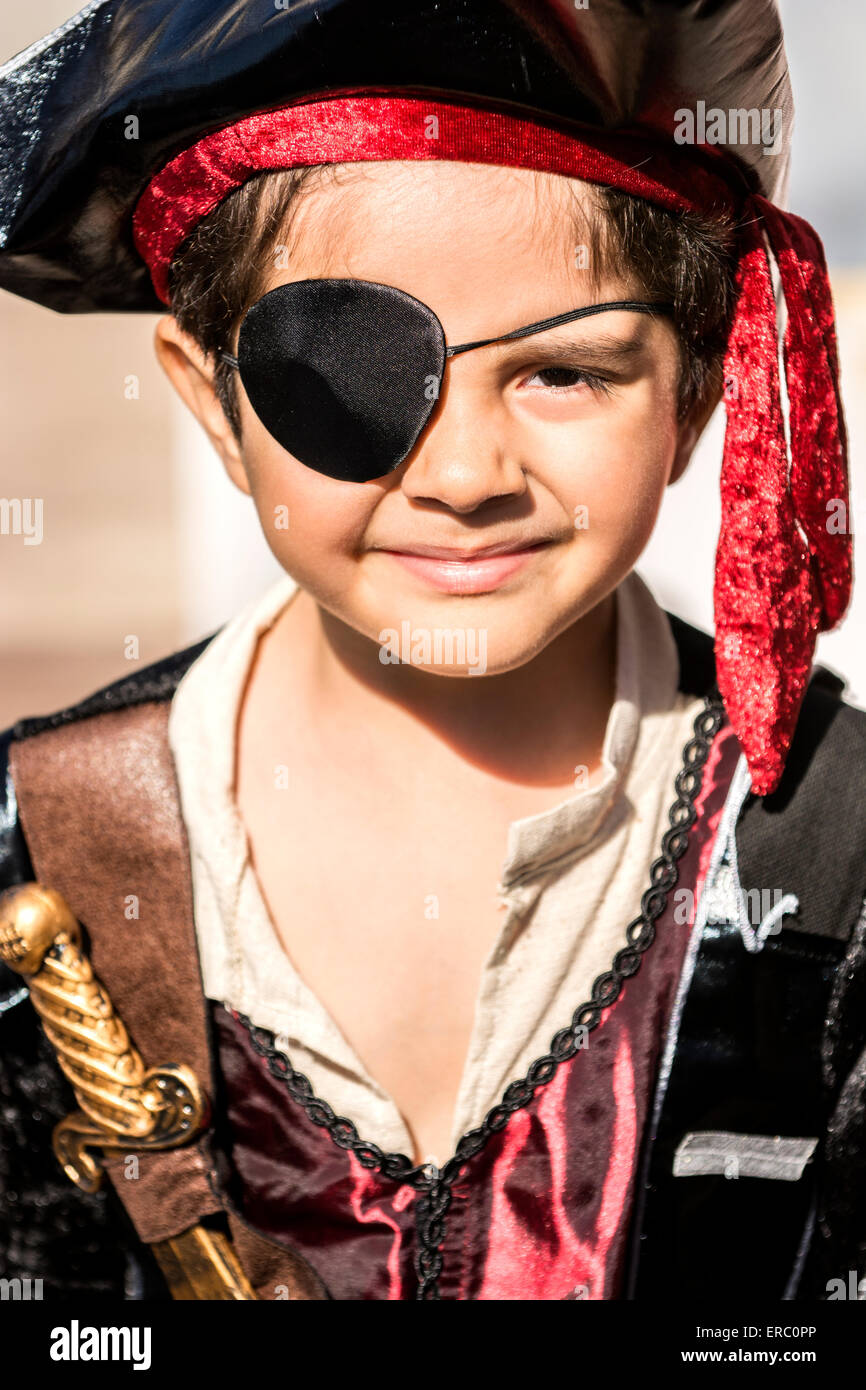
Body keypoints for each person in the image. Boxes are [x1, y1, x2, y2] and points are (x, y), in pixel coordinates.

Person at [1, 0, 864, 1302]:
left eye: (564, 373)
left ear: (693, 396)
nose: (465, 474)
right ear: (215, 405)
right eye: (345, 370)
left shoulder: (835, 855)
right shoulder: (35, 847)